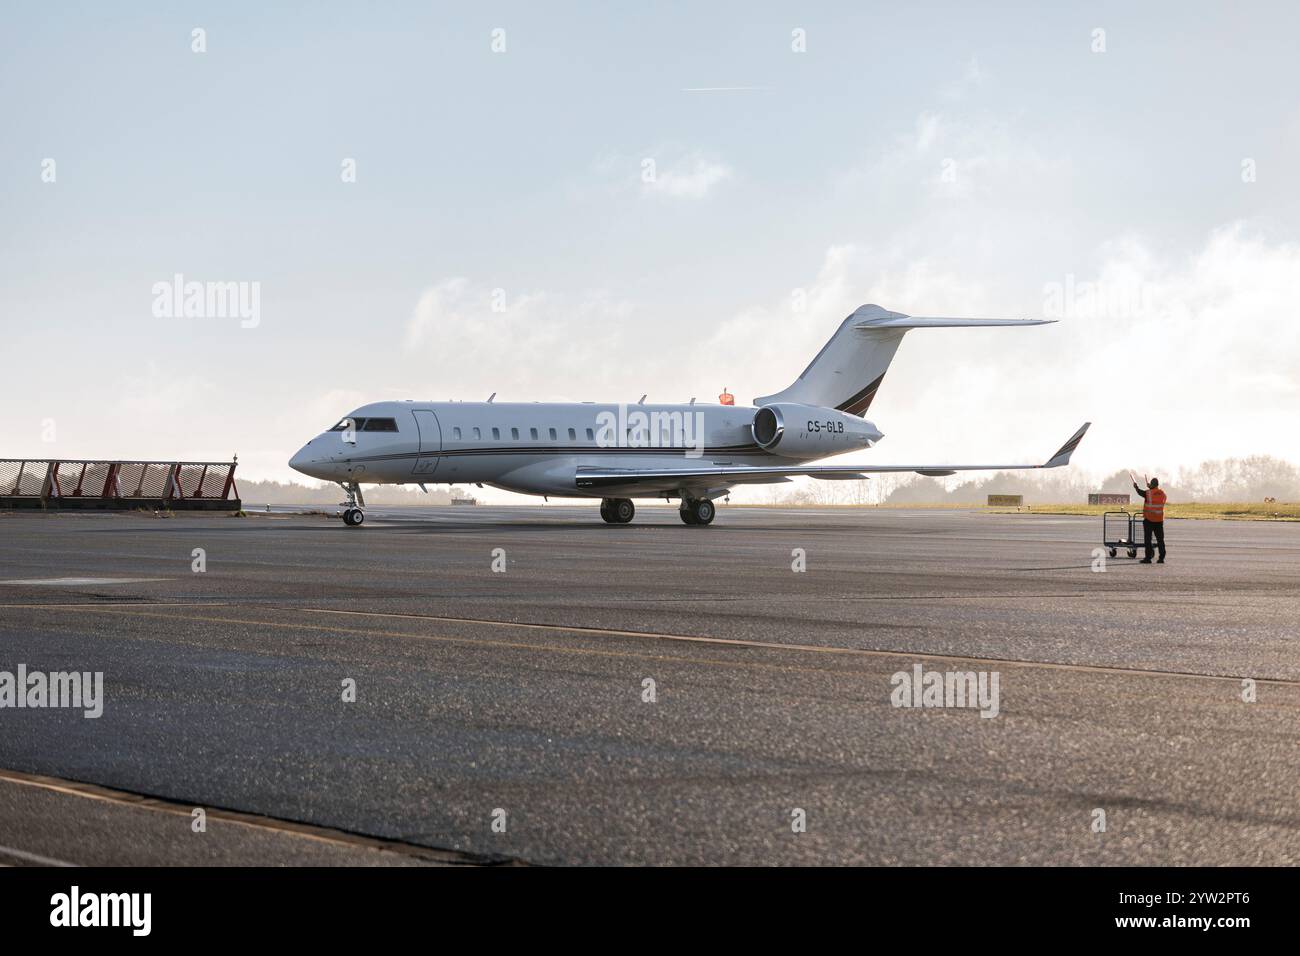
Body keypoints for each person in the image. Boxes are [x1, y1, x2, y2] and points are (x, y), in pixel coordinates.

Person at [1132, 476, 1167, 564]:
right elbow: (1155, 494)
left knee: (1148, 539)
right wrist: (1151, 488)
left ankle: (1148, 558)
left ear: (1152, 484)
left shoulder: (1148, 493)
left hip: (1149, 519)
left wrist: (1136, 487)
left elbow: (1140, 492)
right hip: (1159, 520)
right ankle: (1161, 558)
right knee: (1160, 540)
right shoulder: (1163, 494)